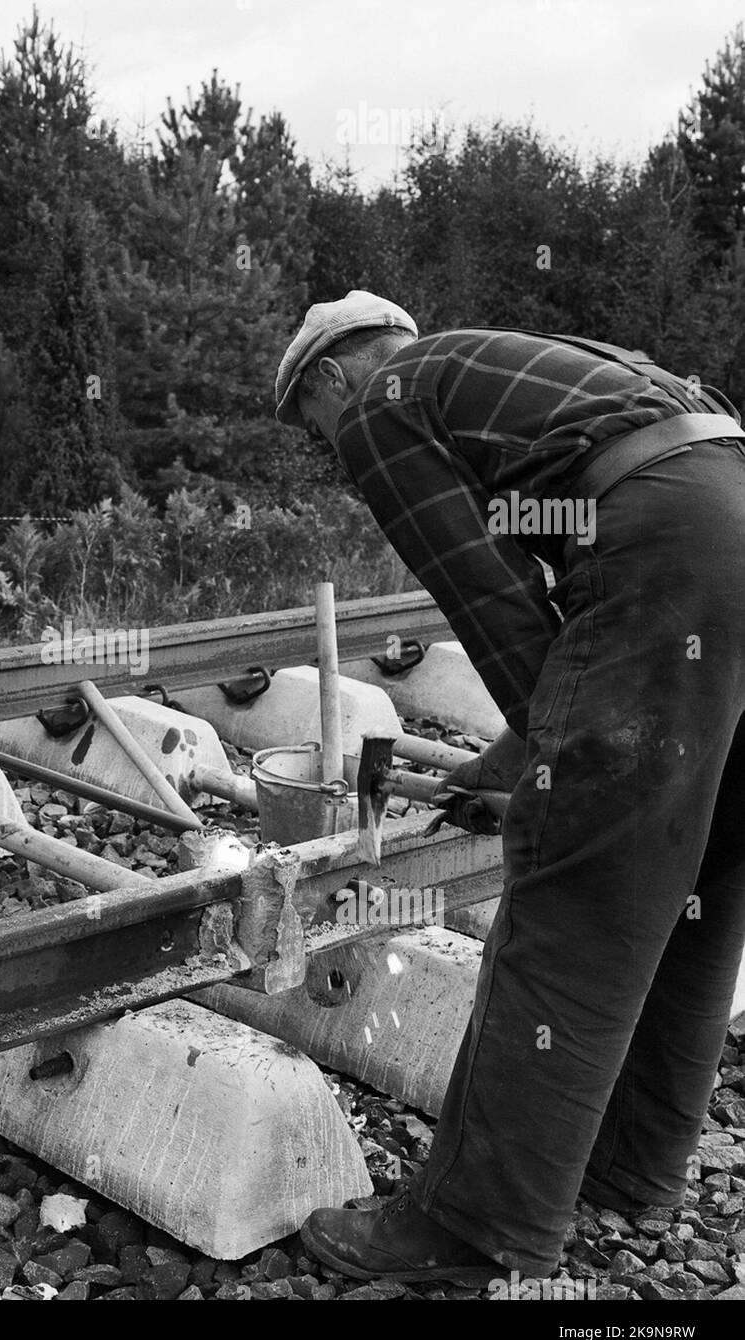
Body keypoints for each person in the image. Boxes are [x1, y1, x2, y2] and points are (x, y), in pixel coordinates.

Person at [275, 290, 745, 1281]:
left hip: (668, 549)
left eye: (312, 426)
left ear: (327, 377)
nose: (331, 446)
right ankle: (630, 1167)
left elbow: (486, 594)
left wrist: (555, 772)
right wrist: (516, 750)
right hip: (726, 517)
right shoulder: (502, 368)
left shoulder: (379, 405)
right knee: (699, 877)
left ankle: (468, 1226)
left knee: (574, 895)